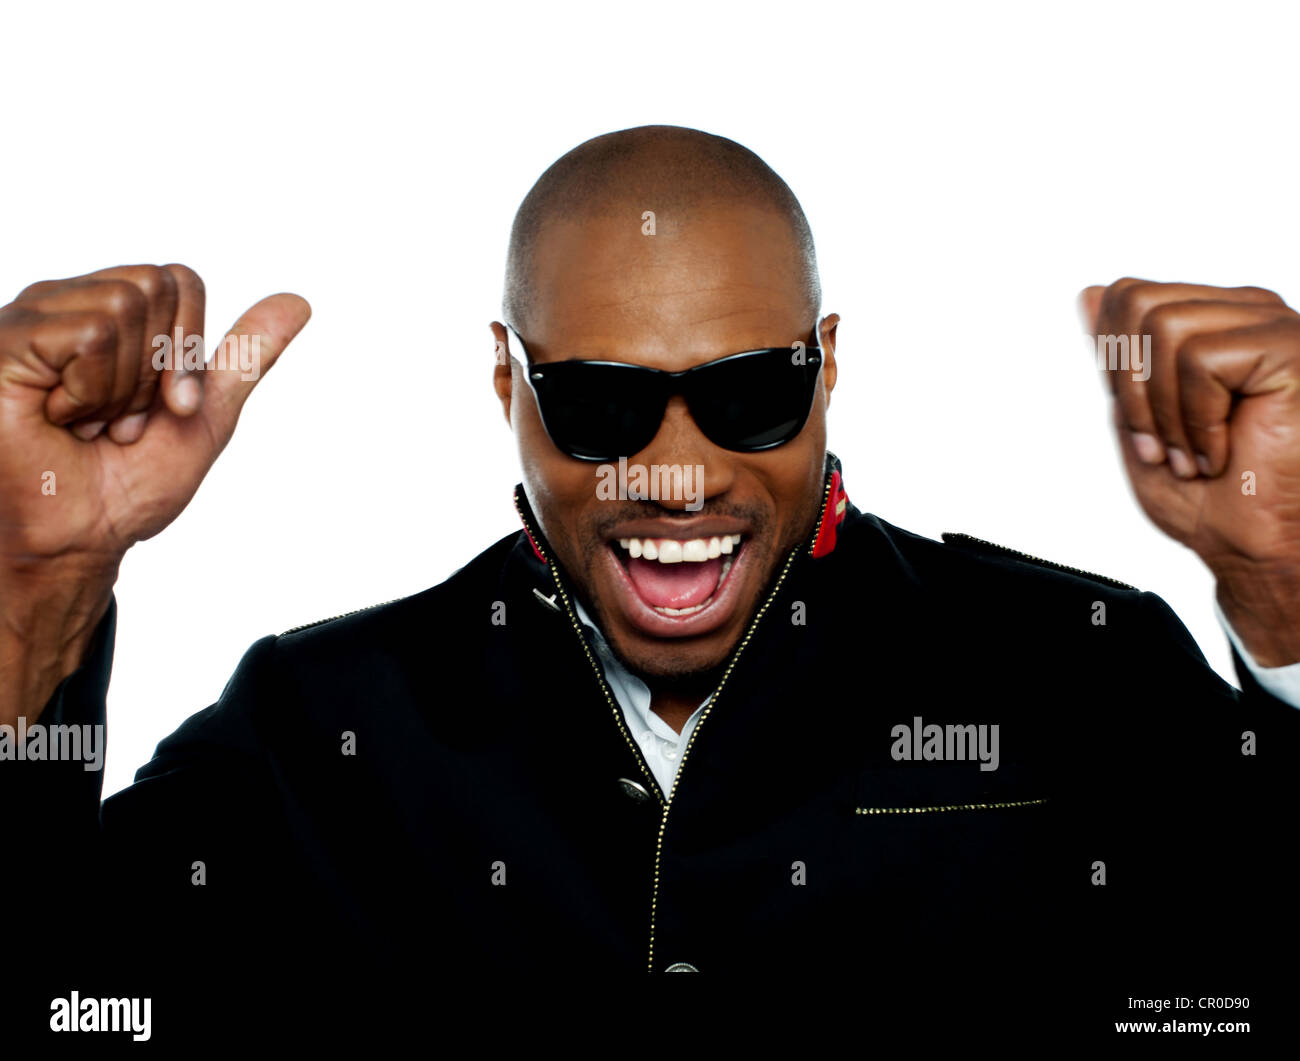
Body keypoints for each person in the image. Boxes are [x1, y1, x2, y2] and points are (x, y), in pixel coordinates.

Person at [2, 125, 1296, 1036]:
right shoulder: (316, 730)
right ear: (509, 385)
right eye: (603, 406)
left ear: (826, 364)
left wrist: (1290, 591)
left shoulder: (1079, 668)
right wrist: (32, 587)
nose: (675, 475)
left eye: (749, 391)